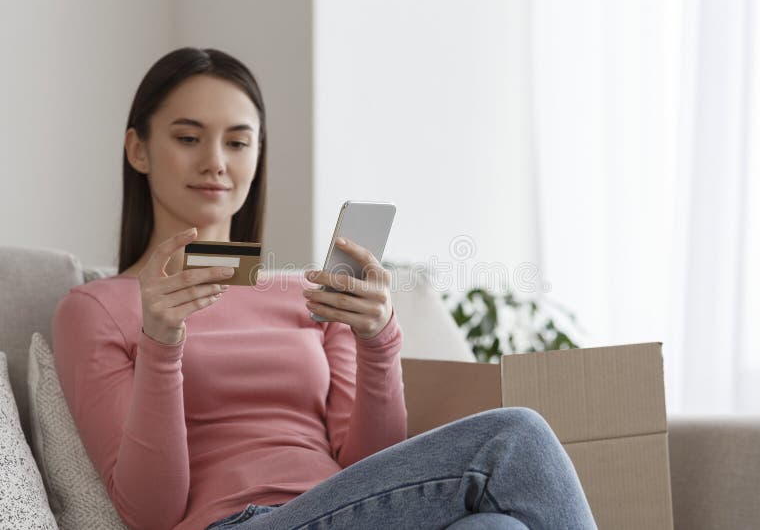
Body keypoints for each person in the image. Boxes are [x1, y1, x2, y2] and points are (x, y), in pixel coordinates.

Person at [50, 47, 596, 530]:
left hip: (347, 507)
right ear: (138, 150)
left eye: (238, 142)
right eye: (189, 138)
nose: (215, 162)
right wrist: (163, 342)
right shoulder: (99, 308)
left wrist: (379, 341)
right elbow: (151, 514)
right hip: (233, 523)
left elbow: (371, 466)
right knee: (516, 438)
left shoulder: (306, 293)